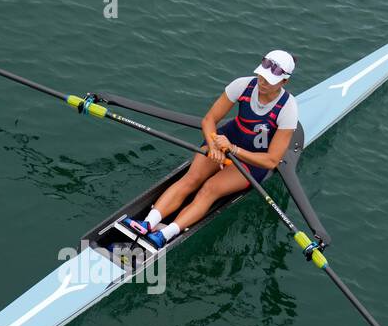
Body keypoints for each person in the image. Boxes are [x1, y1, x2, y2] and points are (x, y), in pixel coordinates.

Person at [125, 50, 299, 248]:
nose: (262, 81)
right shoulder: (242, 85)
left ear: (284, 82)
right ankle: (147, 223)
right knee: (191, 179)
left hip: (252, 161)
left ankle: (164, 235)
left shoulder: (288, 109)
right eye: (261, 75)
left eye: (270, 79)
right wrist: (213, 142)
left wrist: (232, 149)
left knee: (209, 189)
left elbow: (271, 161)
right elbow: (209, 120)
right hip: (224, 140)